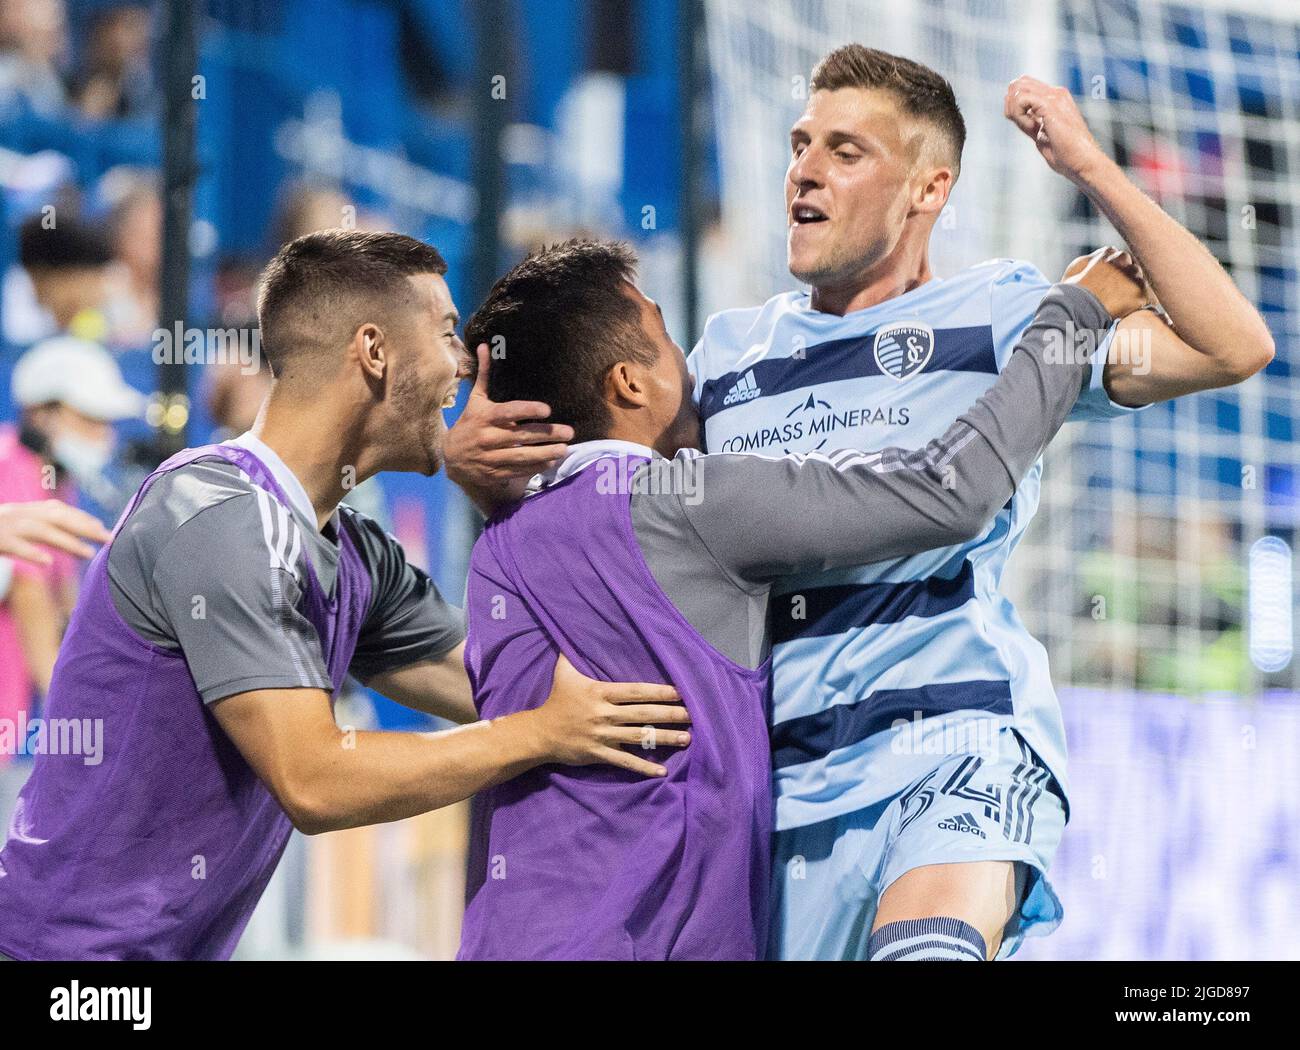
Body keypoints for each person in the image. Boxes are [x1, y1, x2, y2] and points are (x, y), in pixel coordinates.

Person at [446, 47, 1273, 961]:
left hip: (959, 741)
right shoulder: (728, 355)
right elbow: (600, 488)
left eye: (845, 151)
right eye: (801, 144)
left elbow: (1233, 345)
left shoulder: (1007, 315)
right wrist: (481, 469)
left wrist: (1090, 168)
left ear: (927, 190)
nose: (803, 169)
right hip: (786, 788)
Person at [455, 238, 1150, 960]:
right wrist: (1077, 312)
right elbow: (949, 492)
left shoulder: (494, 555)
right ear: (629, 385)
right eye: (665, 338)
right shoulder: (693, 502)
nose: (692, 369)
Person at [0, 229, 682, 962]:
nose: (462, 364)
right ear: (375, 352)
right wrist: (538, 735)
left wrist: (510, 503)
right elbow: (316, 780)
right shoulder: (217, 516)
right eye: (448, 333)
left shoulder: (353, 551)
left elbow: (511, 685)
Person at [0, 336, 143, 758]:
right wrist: (71, 713)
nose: (104, 435)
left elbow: (62, 596)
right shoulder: (10, 467)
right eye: (90, 418)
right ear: (44, 414)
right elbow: (29, 591)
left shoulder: (54, 482)